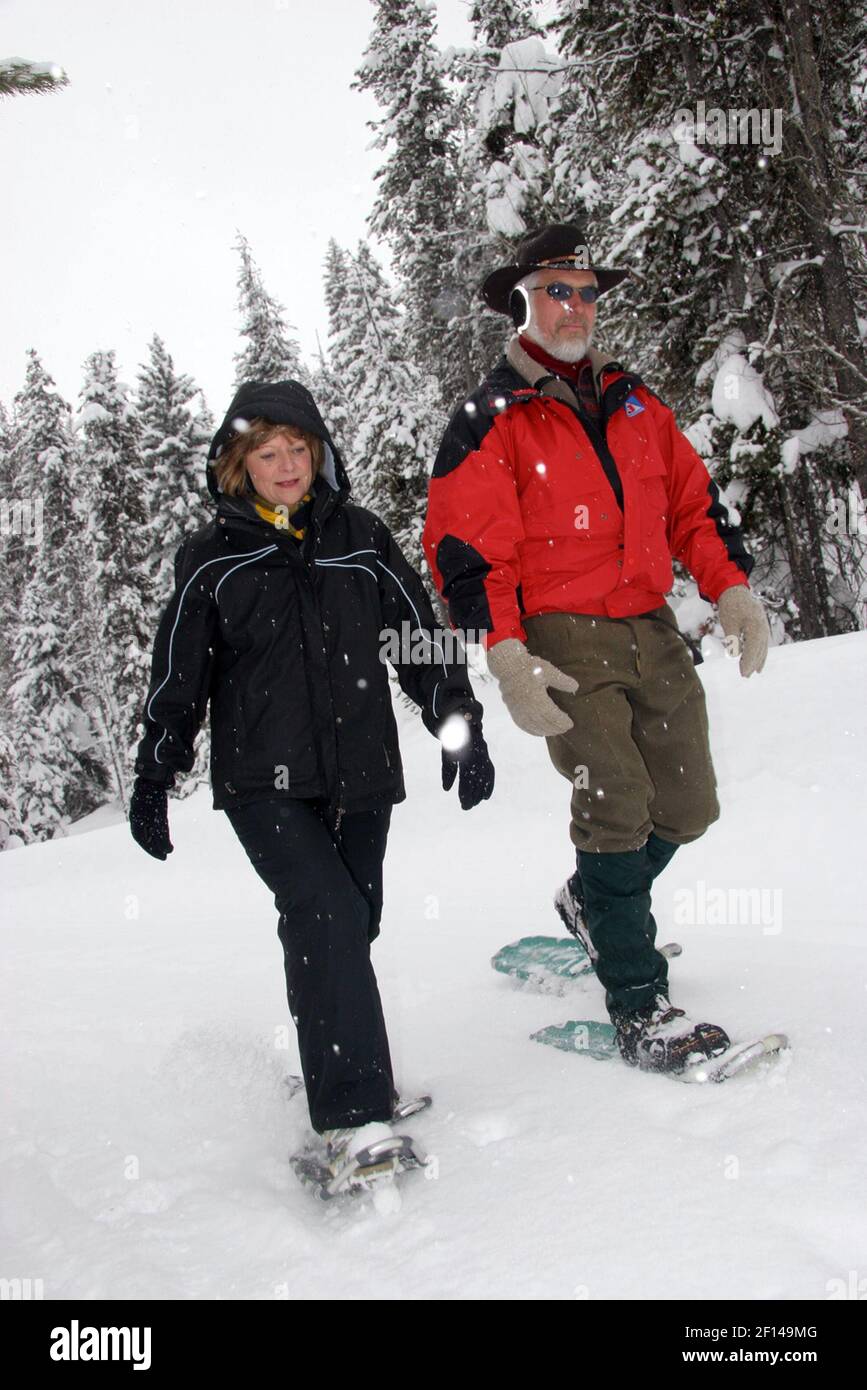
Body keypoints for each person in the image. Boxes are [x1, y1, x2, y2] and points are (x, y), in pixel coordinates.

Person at [422, 221, 770, 1074]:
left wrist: (728, 586)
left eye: (584, 292)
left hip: (647, 622)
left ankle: (591, 900)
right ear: (522, 305)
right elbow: (468, 551)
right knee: (614, 803)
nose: (573, 306)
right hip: (560, 633)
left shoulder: (636, 403)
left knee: (688, 805)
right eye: (554, 292)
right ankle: (639, 1001)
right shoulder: (488, 418)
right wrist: (504, 653)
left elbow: (693, 506)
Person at [129, 378, 494, 1184]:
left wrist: (458, 728)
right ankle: (352, 1116)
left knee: (348, 923)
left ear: (319, 452)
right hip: (264, 781)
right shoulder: (212, 559)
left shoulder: (359, 535)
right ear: (239, 462)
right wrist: (156, 771)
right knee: (324, 911)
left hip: (361, 771)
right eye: (268, 452)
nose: (287, 465)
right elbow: (178, 677)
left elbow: (417, 640)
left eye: (299, 448)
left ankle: (336, 1064)